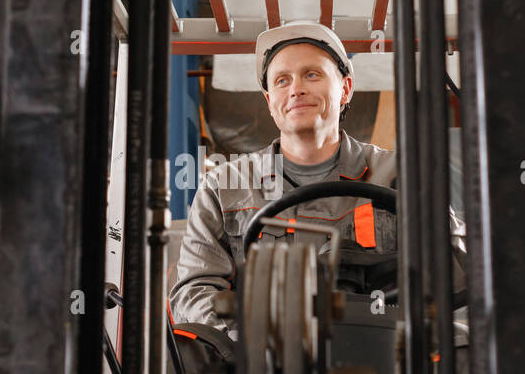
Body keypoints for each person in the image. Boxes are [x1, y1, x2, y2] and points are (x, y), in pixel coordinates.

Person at [169, 20, 399, 340]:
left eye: (312, 74)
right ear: (269, 101)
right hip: (259, 368)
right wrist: (246, 347)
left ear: (345, 88)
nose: (296, 89)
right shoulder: (224, 188)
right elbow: (195, 291)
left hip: (382, 354)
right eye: (282, 80)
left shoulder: (397, 176)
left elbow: (452, 272)